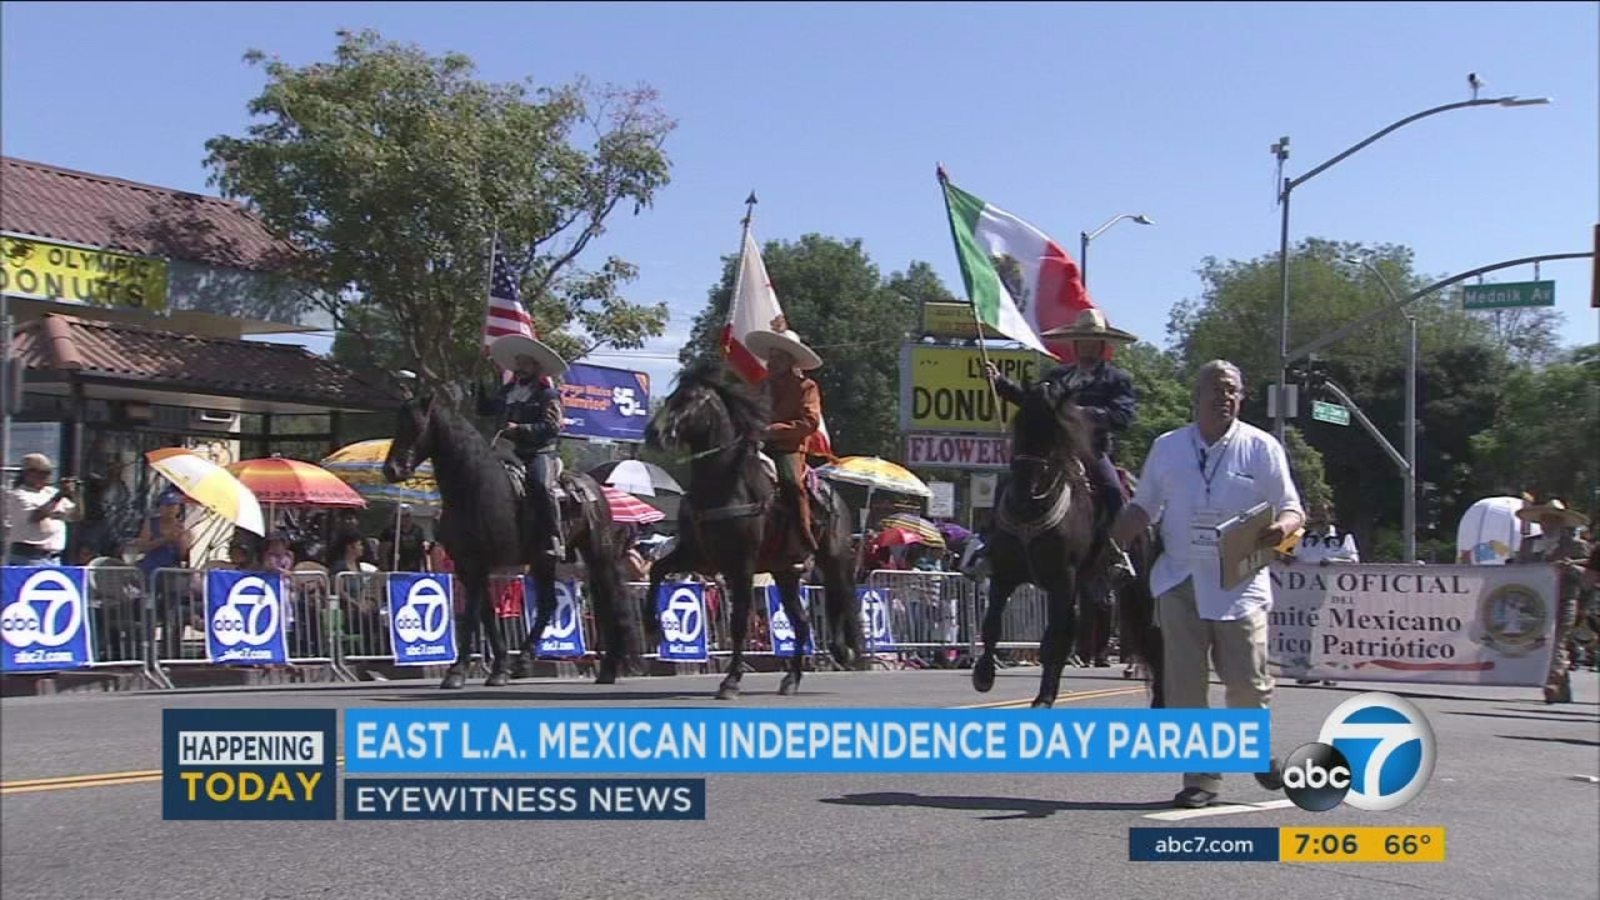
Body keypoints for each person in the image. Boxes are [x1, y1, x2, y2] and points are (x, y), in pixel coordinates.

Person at [1111, 360, 1305, 809]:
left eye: (1233, 390)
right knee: (1185, 689)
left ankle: (1252, 748)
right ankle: (1201, 779)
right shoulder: (1167, 447)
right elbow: (1145, 507)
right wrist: (1113, 536)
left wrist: (1281, 529)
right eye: (1216, 389)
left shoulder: (1262, 447)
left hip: (1241, 584)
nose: (1225, 397)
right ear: (1195, 396)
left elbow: (1293, 508)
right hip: (1179, 580)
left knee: (1247, 686)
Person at [985, 308, 1139, 585]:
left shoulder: (1116, 379)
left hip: (1093, 452)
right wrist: (1001, 384)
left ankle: (1116, 552)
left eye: (1093, 341)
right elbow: (1032, 402)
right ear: (1075, 344)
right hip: (1056, 453)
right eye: (1083, 340)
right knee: (1011, 479)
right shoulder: (1057, 377)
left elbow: (1124, 416)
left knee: (1114, 490)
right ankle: (988, 543)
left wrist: (1085, 414)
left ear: (1102, 345)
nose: (1087, 346)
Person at [479, 332, 569, 562]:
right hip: (507, 450)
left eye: (525, 364)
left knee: (540, 485)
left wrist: (519, 429)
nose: (520, 368)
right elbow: (484, 409)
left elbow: (551, 427)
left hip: (539, 453)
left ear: (536, 368)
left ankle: (553, 538)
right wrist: (479, 377)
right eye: (518, 363)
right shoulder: (507, 392)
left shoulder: (548, 395)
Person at [744, 324, 826, 556]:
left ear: (791, 361)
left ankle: (804, 535)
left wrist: (774, 430)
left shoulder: (805, 387)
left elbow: (810, 422)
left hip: (789, 448)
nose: (771, 362)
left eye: (778, 358)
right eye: (770, 357)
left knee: (790, 482)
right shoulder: (760, 386)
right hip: (757, 445)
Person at [1514, 498, 1591, 704]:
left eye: (1554, 519)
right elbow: (1518, 570)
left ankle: (1552, 682)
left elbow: (1590, 575)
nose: (1549, 523)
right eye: (1545, 519)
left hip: (1565, 599)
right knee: (1543, 643)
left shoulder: (1577, 546)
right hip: (1536, 602)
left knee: (1558, 641)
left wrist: (1572, 568)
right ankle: (1562, 689)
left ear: (1562, 522)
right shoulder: (1529, 544)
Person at [4, 453, 82, 566]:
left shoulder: (50, 492)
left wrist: (78, 494)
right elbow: (35, 516)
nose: (47, 477)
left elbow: (76, 516)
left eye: (49, 473)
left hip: (53, 558)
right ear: (28, 473)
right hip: (29, 557)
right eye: (42, 473)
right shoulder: (18, 494)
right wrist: (60, 495)